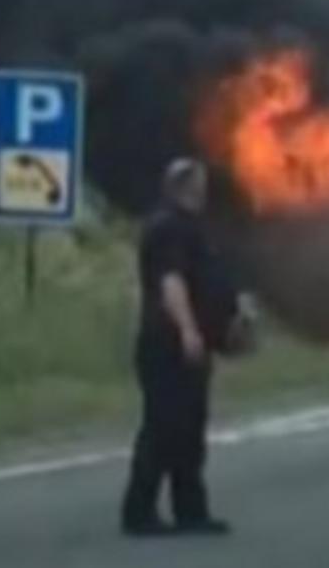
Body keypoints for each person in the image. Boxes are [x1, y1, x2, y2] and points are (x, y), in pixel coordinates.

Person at [121, 158, 237, 537]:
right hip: (167, 344)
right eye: (198, 184)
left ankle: (192, 511)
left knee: (189, 429)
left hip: (192, 343)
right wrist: (188, 330)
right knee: (163, 428)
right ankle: (139, 513)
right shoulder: (168, 228)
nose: (204, 191)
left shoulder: (193, 229)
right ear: (183, 187)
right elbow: (171, 282)